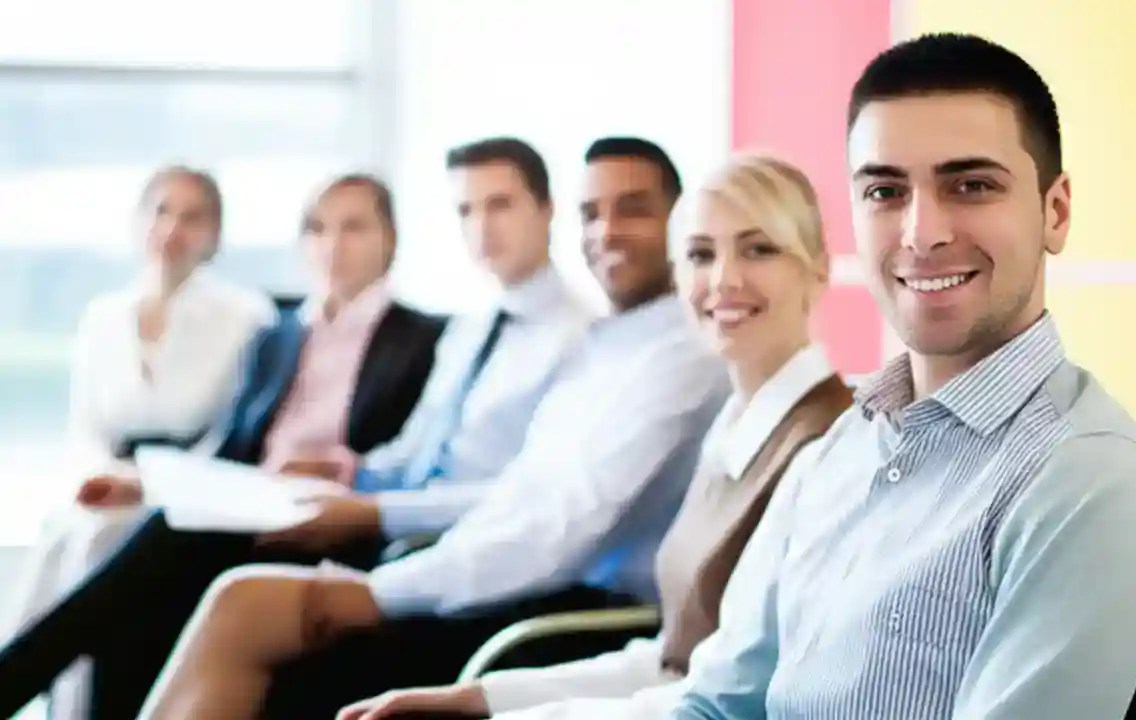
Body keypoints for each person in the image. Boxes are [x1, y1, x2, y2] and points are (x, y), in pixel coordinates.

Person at [672, 33, 1136, 720]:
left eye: (971, 185)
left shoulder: (1093, 484)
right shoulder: (836, 450)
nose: (921, 233)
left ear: (1055, 212)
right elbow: (716, 705)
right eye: (885, 190)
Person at [133, 136, 731, 720]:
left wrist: (381, 586)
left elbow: (556, 531)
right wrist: (354, 483)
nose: (606, 233)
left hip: (564, 611)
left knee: (245, 610)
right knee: (226, 588)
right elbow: (516, 497)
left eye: (633, 210)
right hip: (493, 570)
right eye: (591, 215)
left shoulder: (677, 357)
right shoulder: (606, 347)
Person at [336, 154, 856, 720]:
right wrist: (477, 699)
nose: (724, 279)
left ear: (818, 269)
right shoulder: (737, 424)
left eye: (759, 249)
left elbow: (728, 698)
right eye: (702, 254)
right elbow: (674, 659)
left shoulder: (826, 444)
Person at [0, 173, 449, 720]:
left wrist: (345, 468)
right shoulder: (279, 335)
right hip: (250, 505)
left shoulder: (424, 337)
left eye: (353, 227)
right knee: (137, 571)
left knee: (158, 545)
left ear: (390, 239)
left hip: (330, 514)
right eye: (317, 229)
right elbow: (233, 450)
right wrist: (141, 481)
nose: (332, 245)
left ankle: (10, 682)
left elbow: (419, 457)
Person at [3, 166, 274, 720]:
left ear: (215, 234)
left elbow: (238, 434)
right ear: (139, 222)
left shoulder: (249, 318)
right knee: (68, 537)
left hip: (186, 494)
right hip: (105, 486)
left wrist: (147, 485)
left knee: (100, 546)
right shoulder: (102, 316)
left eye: (192, 216)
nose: (173, 228)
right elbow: (85, 428)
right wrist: (98, 480)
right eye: (161, 211)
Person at [277, 138, 595, 545]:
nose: (481, 227)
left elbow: (528, 496)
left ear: (547, 209)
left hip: (472, 543)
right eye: (466, 210)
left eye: (500, 205)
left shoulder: (582, 339)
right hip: (402, 526)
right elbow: (415, 451)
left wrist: (375, 514)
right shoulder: (468, 330)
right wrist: (347, 471)